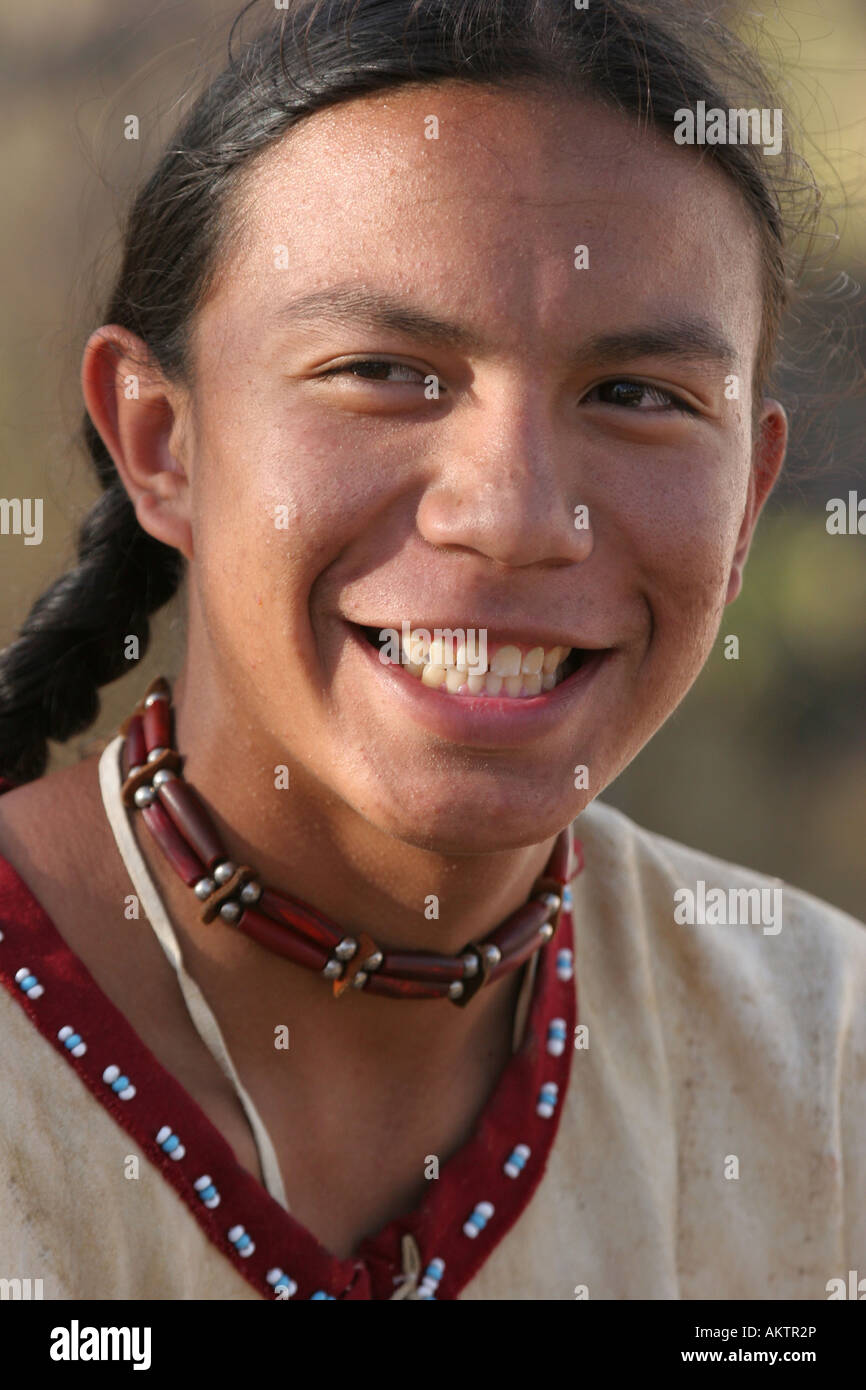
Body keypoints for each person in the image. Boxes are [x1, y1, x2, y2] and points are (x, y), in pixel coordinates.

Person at [0, 0, 863, 1302]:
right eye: (383, 370)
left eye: (635, 396)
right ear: (162, 444)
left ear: (746, 502)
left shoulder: (822, 1063)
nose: (513, 516)